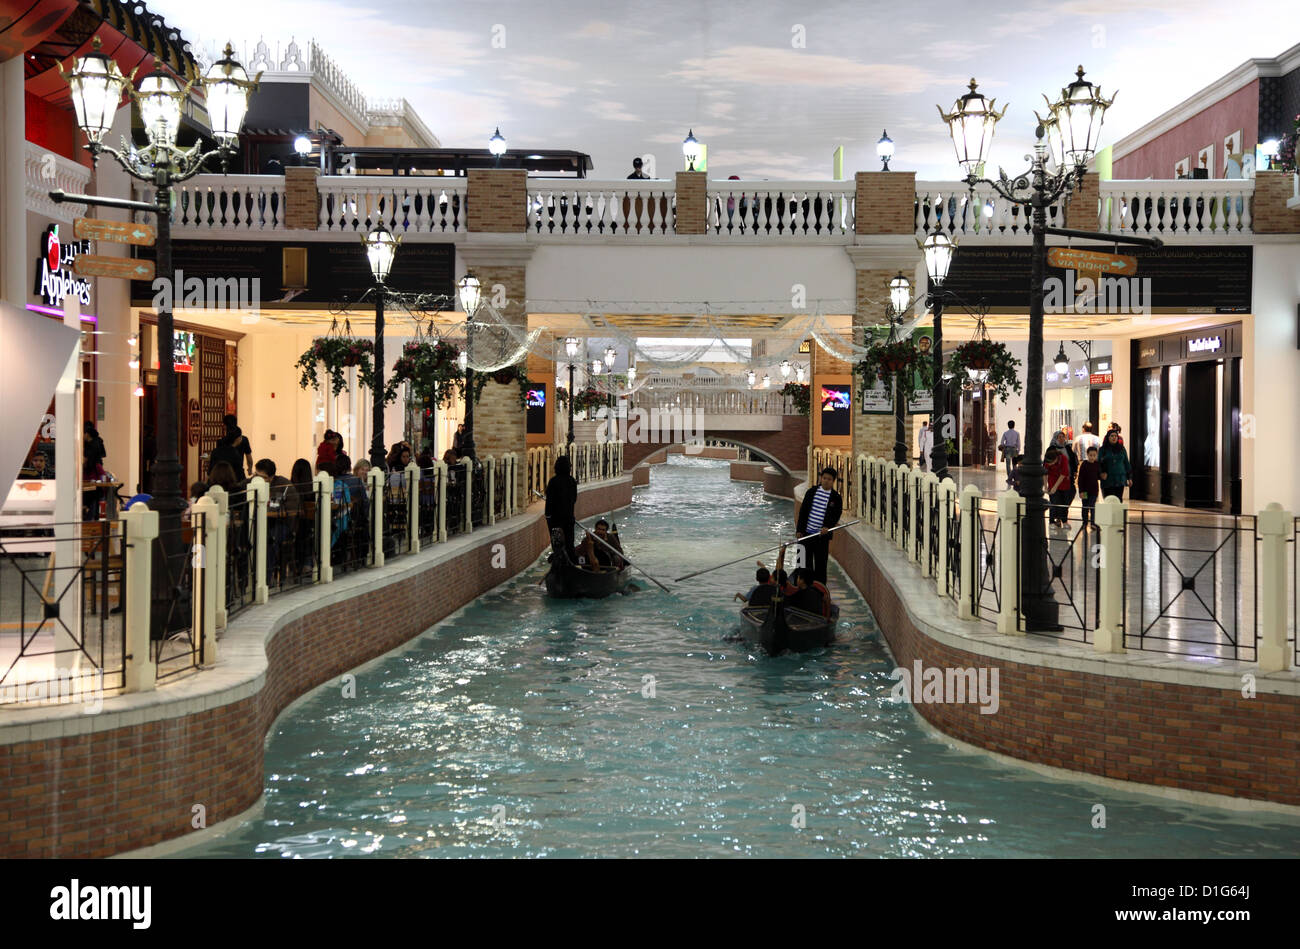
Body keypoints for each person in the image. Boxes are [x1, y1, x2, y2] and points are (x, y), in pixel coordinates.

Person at [796, 467, 843, 585]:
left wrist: (828, 527)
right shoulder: (811, 492)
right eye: (824, 478)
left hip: (821, 537)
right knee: (802, 563)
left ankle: (819, 589)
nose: (826, 481)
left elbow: (836, 515)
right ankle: (802, 586)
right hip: (805, 535)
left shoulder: (836, 498)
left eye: (829, 479)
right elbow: (803, 512)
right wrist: (799, 530)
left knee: (821, 565)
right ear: (821, 478)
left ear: (833, 481)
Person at [545, 455, 578, 557]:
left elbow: (549, 501)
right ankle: (571, 562)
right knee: (569, 544)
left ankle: (559, 561)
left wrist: (548, 517)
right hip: (569, 519)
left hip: (555, 521)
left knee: (557, 545)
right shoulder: (572, 481)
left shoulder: (553, 481)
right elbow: (574, 499)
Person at [1099, 429, 1132, 501]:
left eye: (1116, 436)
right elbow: (1098, 463)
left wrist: (1129, 478)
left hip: (1120, 479)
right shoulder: (1103, 449)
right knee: (1108, 500)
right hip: (1107, 479)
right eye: (1112, 436)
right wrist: (1101, 473)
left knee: (1118, 500)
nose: (1114, 437)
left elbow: (1126, 463)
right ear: (1108, 437)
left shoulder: (1122, 449)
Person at [1045, 446, 1073, 528]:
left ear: (1055, 459)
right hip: (1052, 483)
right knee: (1054, 503)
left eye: (1050, 463)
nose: (1049, 465)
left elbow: (1064, 473)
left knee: (1064, 503)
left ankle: (1064, 521)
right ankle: (1051, 522)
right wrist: (1045, 486)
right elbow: (1045, 473)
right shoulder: (1047, 461)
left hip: (1064, 484)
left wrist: (1055, 487)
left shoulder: (1063, 458)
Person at [1077, 445, 1102, 531]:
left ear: (1096, 455)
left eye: (1094, 455)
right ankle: (1084, 523)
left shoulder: (1097, 464)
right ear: (1087, 455)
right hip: (1084, 490)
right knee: (1085, 507)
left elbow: (1098, 476)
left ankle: (1092, 523)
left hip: (1094, 490)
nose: (1092, 457)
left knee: (1092, 506)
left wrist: (1102, 476)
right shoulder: (1084, 464)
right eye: (1090, 455)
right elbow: (1080, 478)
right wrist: (1080, 491)